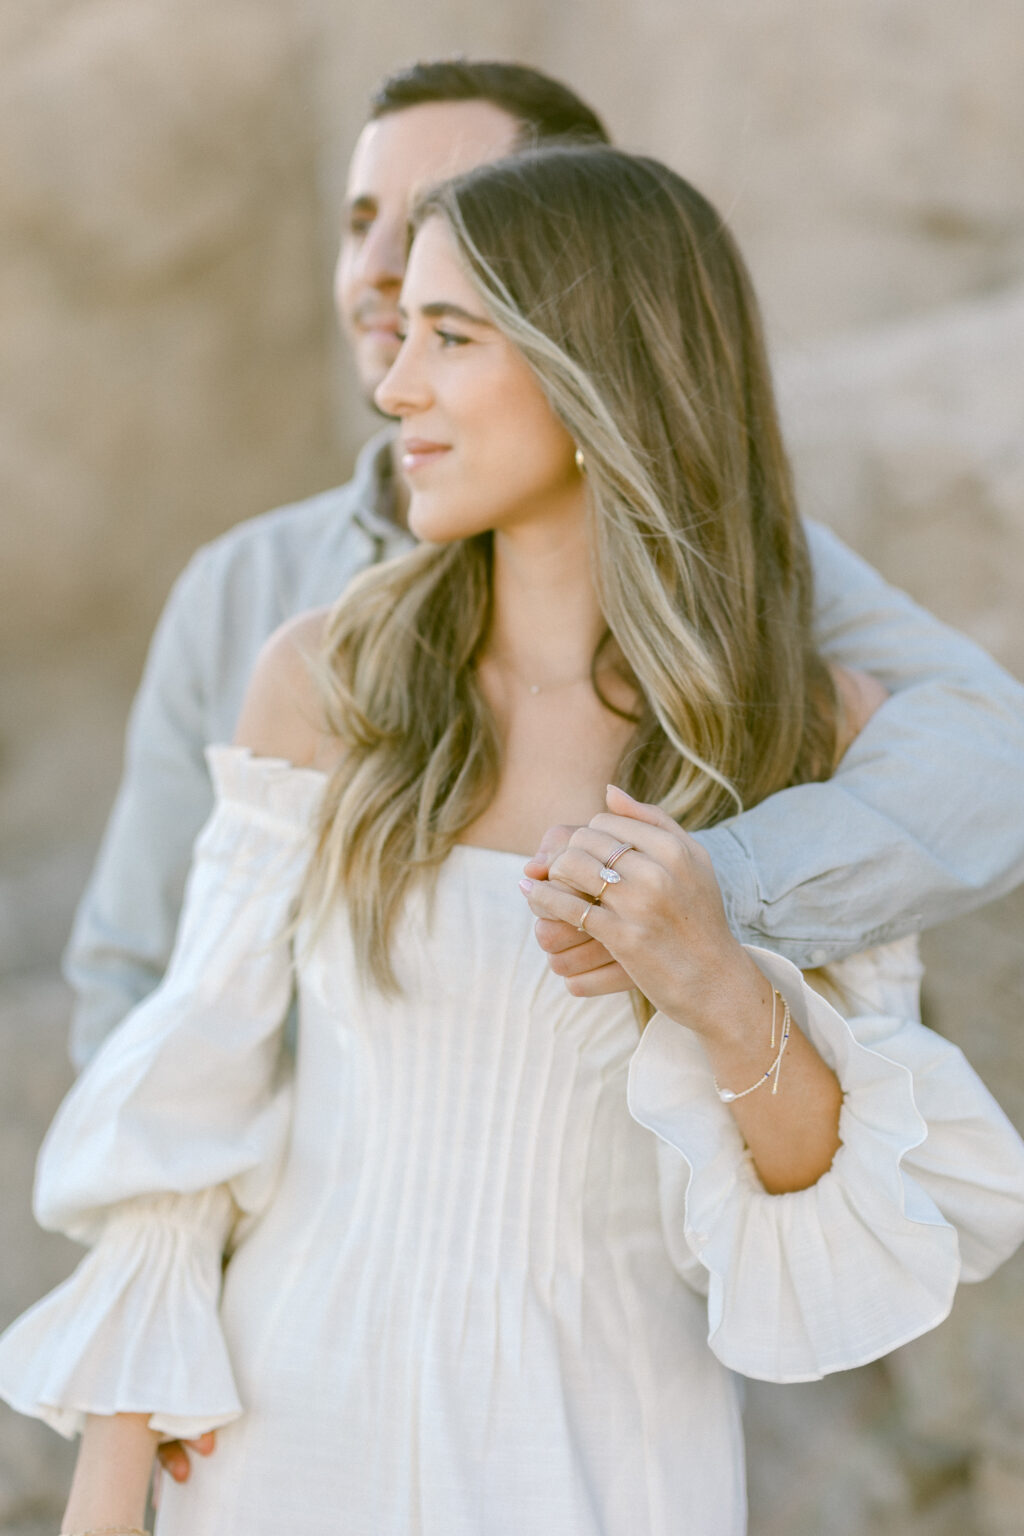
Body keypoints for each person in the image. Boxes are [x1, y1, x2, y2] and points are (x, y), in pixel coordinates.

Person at [2, 143, 1023, 1536]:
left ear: (595, 369)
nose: (393, 384)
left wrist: (715, 974)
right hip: (283, 1432)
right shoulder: (327, 680)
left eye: (450, 336)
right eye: (399, 333)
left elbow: (821, 1235)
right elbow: (192, 1115)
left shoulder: (812, 737)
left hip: (607, 1454)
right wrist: (108, 1504)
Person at [64, 58, 1024, 1082]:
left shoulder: (736, 568)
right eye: (360, 222)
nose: (388, 264)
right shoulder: (245, 589)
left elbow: (986, 752)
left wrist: (707, 892)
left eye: (454, 213)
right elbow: (135, 972)